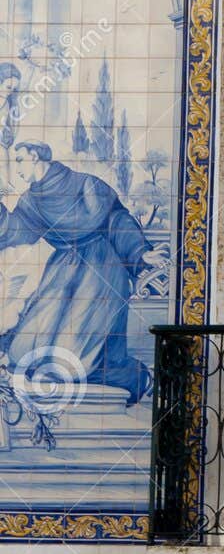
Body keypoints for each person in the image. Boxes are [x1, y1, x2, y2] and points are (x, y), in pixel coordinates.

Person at [0, 141, 162, 405]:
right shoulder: (30, 201)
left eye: (19, 159)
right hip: (63, 270)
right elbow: (16, 230)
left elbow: (116, 220)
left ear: (35, 155)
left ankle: (138, 378)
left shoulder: (85, 183)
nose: (15, 167)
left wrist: (140, 252)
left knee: (71, 359)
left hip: (100, 268)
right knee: (25, 351)